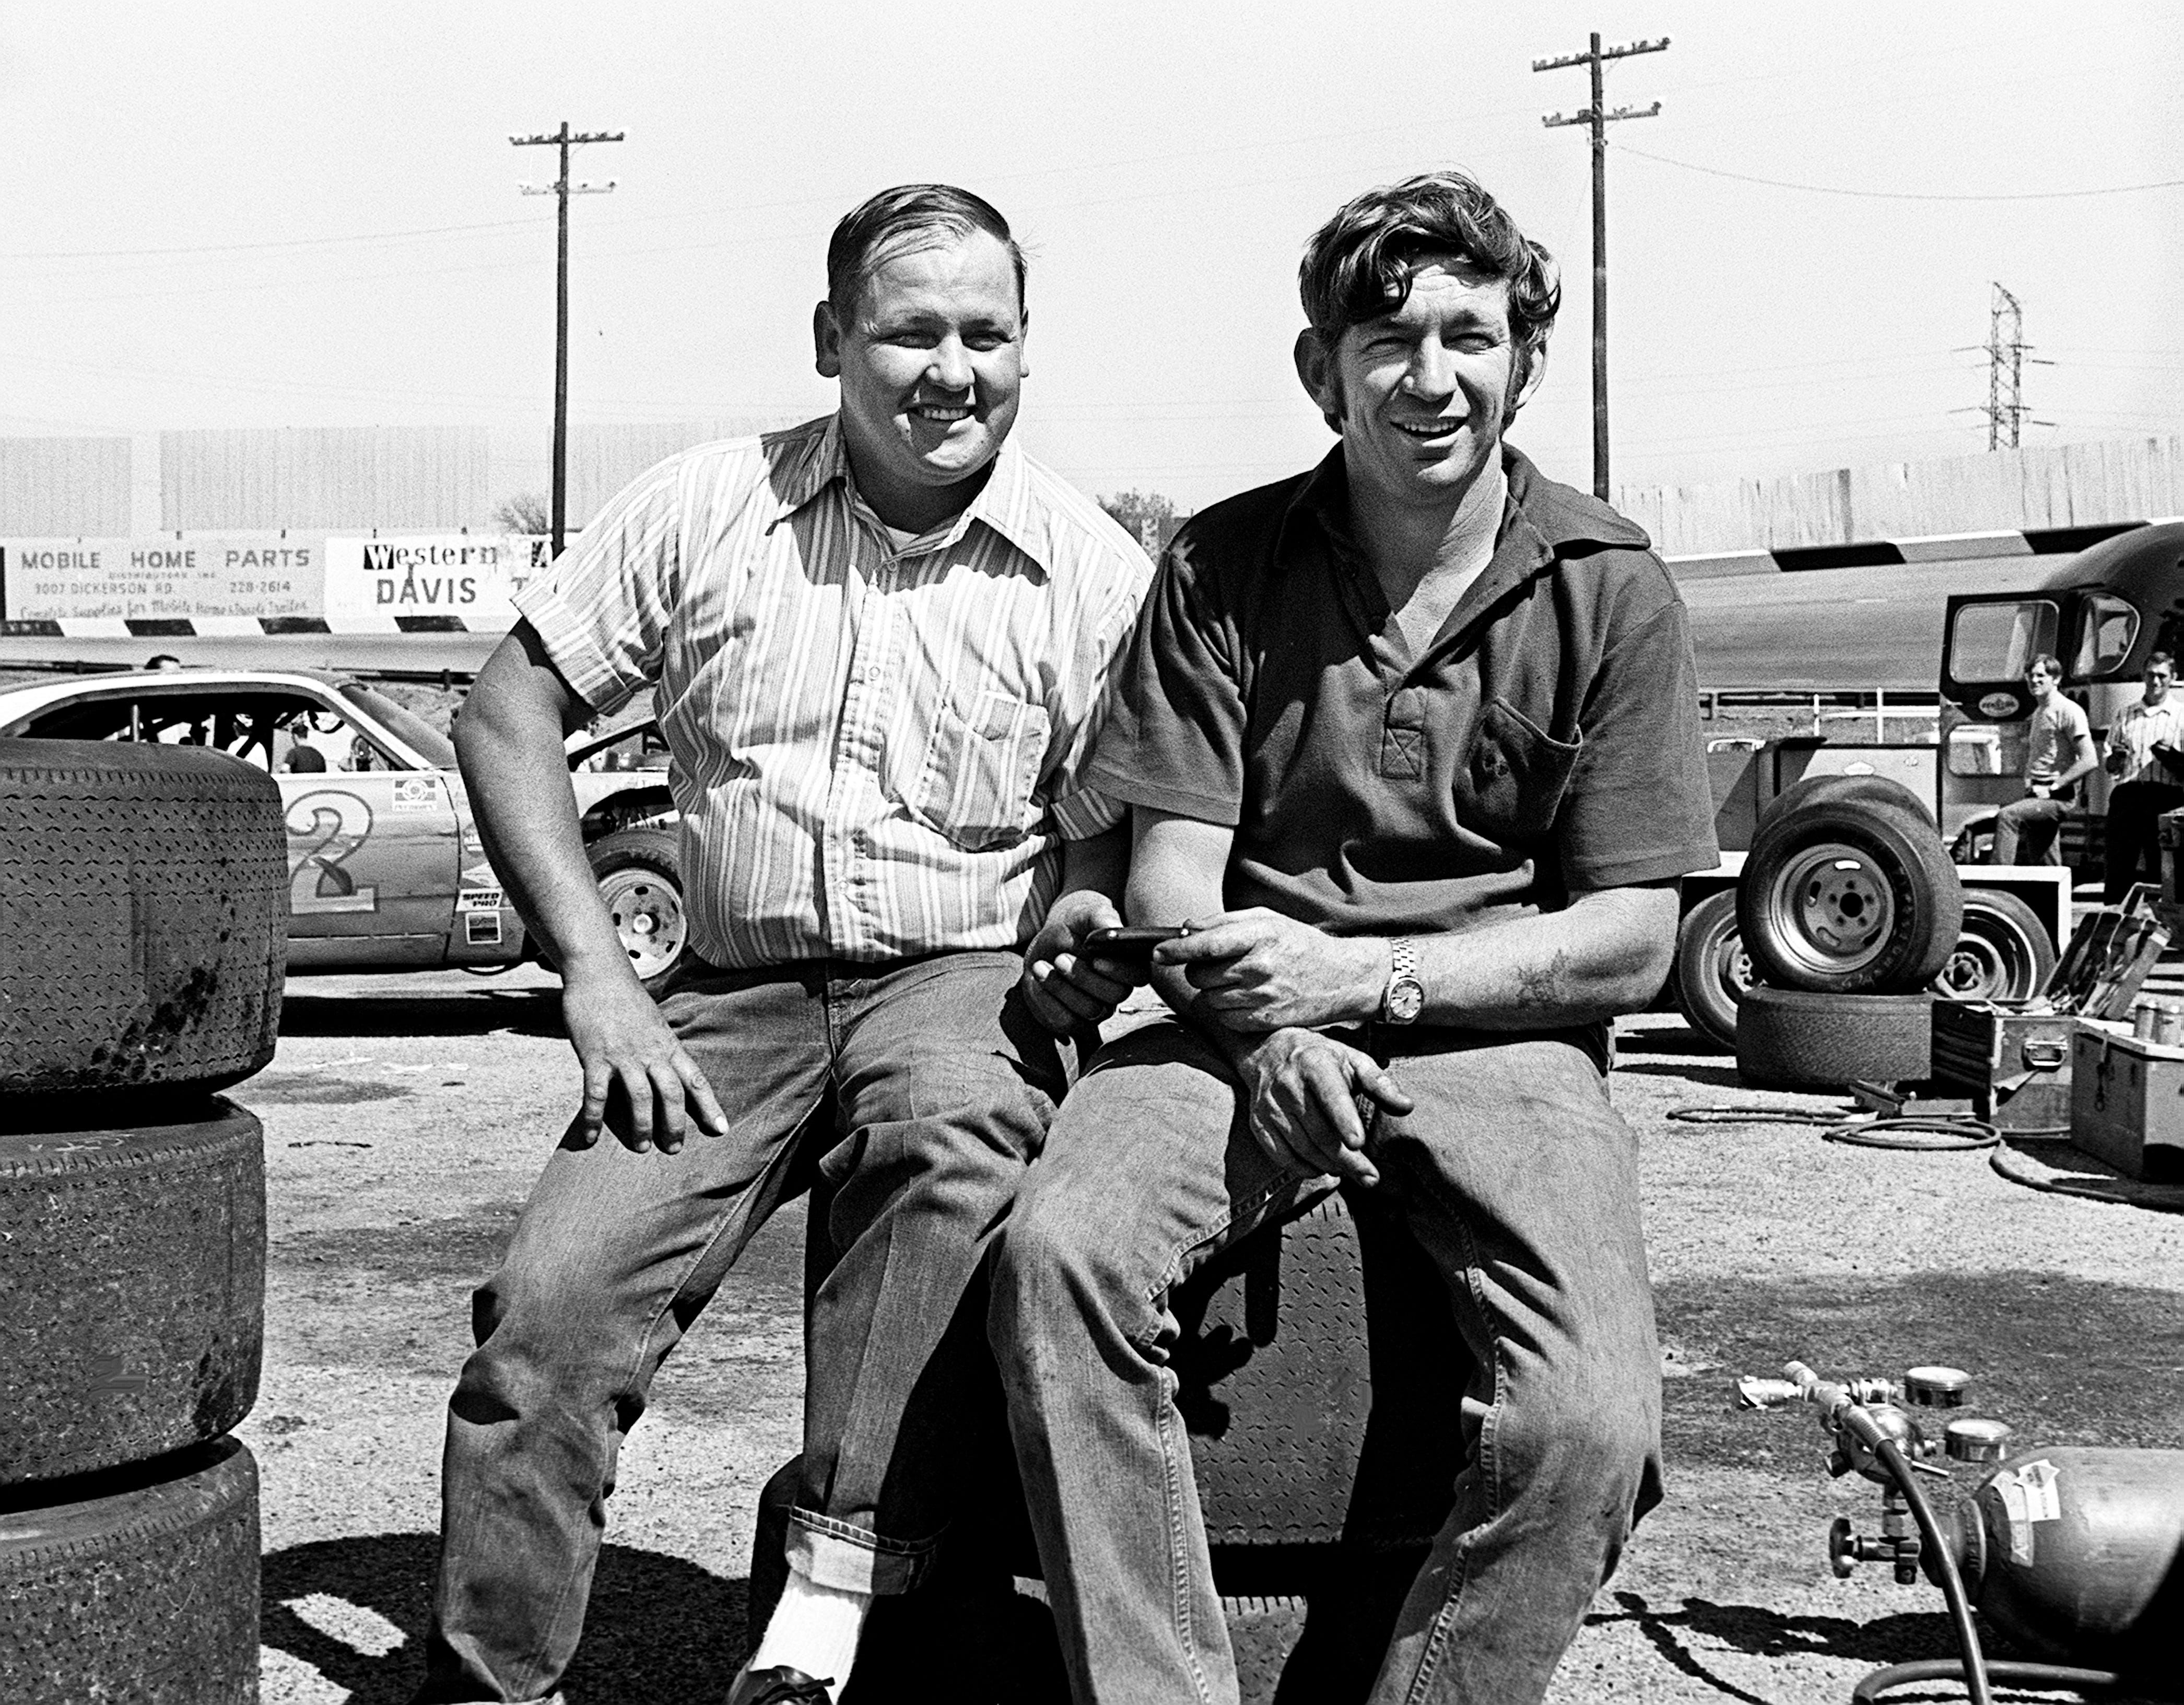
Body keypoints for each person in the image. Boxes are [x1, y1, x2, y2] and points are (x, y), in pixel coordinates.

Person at [412, 183, 1151, 1705]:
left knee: (944, 1166)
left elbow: (1116, 839)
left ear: (1025, 350)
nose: (951, 368)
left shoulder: (1089, 574)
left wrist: (1089, 924)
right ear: (832, 339)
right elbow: (506, 710)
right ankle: (490, 1679)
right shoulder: (704, 507)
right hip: (725, 991)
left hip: (958, 978)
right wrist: (596, 968)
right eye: (910, 330)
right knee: (546, 1319)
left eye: (986, 334)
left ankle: (816, 1628)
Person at [987, 170, 1720, 1705]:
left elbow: (1628, 939)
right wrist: (1276, 1027)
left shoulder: (1606, 585)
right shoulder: (1219, 563)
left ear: (1526, 355)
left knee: (1585, 1421)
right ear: (1319, 370)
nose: (1428, 375)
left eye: (1468, 333)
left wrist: (1373, 978)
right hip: (1226, 1017)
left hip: (1497, 1040)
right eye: (1383, 338)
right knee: (1063, 1258)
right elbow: (1173, 880)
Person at [1991, 654, 2097, 866]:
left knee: (2008, 816)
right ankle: (2053, 896)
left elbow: (2090, 760)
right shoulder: (2040, 712)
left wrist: (2054, 787)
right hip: (2037, 793)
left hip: (2056, 797)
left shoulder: (2068, 711)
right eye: (2030, 676)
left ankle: (1997, 881)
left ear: (2056, 679)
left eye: (2041, 676)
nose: (2034, 681)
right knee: (2044, 861)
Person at [2101, 651, 2184, 899]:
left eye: (2162, 676)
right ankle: (2113, 920)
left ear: (2173, 678)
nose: (2156, 682)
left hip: (2166, 797)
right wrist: (2116, 758)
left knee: (2163, 866)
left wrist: (2170, 757)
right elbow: (2110, 767)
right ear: (2143, 676)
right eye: (2151, 675)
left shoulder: (2181, 716)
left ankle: (2164, 926)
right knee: (2119, 864)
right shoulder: (2125, 714)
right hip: (2129, 796)